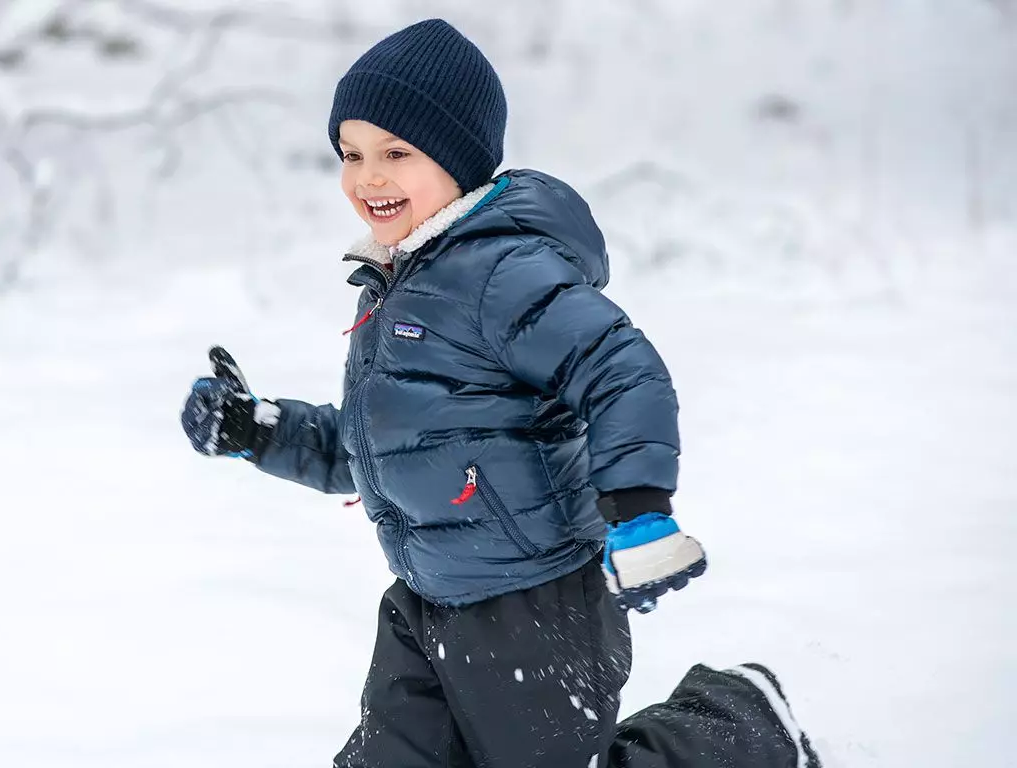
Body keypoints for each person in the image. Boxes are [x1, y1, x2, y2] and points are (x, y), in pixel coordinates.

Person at [181, 18, 821, 768]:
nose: (367, 177)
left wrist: (639, 507)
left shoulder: (501, 272)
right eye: (351, 155)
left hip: (534, 602)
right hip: (425, 601)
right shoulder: (396, 286)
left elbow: (620, 369)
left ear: (458, 160)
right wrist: (258, 430)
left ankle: (738, 723)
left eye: (396, 153)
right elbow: (380, 448)